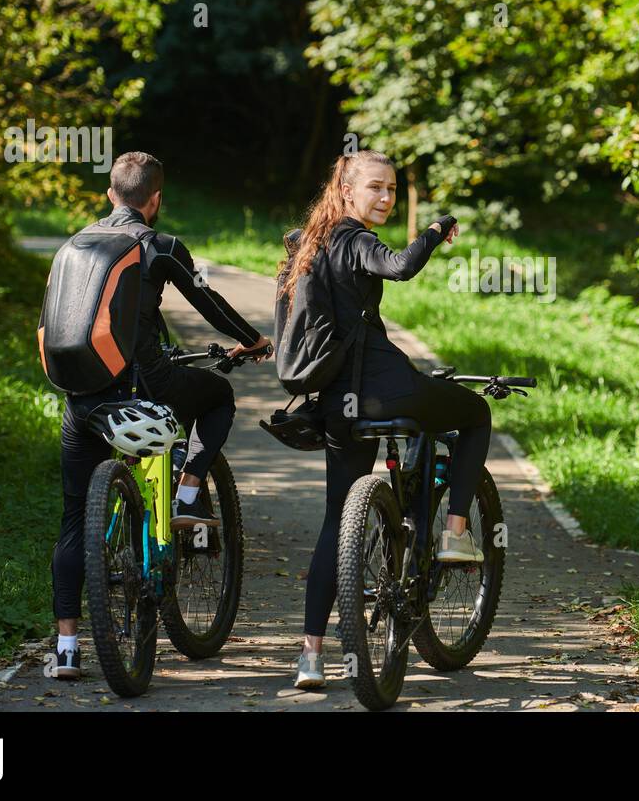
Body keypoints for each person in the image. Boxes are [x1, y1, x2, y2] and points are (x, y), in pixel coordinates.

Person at [50, 151, 272, 679]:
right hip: (148, 389)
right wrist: (252, 340)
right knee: (216, 395)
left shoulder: (76, 243)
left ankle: (65, 650)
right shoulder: (160, 245)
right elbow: (206, 299)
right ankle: (190, 489)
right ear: (155, 201)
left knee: (75, 521)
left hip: (82, 401)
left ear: (110, 194)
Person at [276, 150, 491, 690]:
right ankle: (456, 533)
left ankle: (310, 656)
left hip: (333, 404)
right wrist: (437, 229)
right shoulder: (352, 239)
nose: (386, 199)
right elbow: (399, 267)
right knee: (474, 411)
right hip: (382, 393)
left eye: (392, 189)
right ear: (346, 191)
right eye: (375, 188)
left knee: (333, 523)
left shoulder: (308, 244)